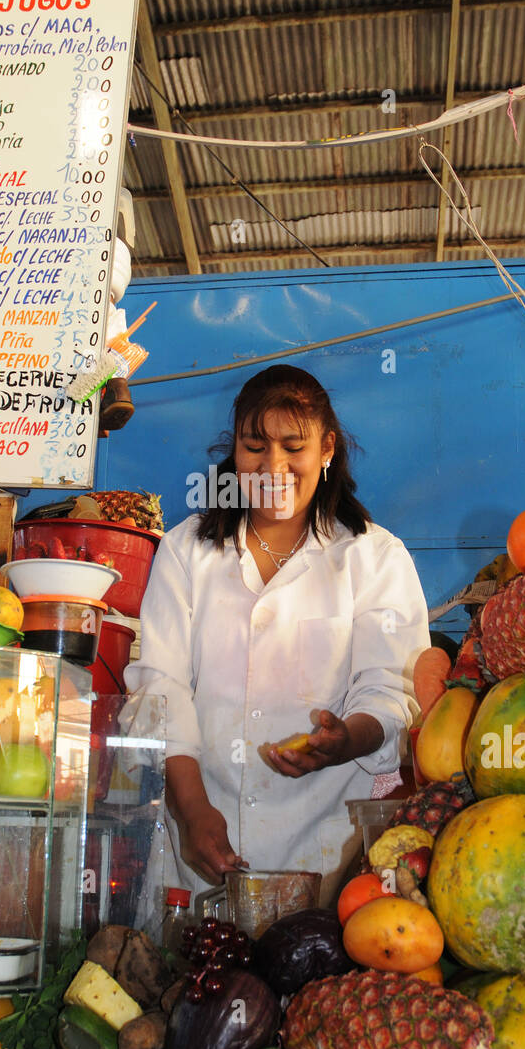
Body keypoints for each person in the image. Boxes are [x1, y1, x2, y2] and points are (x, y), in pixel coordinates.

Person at [124, 364, 430, 908]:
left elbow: (391, 690)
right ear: (233, 452)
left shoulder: (374, 556)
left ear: (327, 448)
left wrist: (345, 741)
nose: (273, 467)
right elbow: (159, 687)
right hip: (198, 850)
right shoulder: (186, 551)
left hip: (328, 855)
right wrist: (192, 809)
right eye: (254, 447)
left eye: (294, 447)